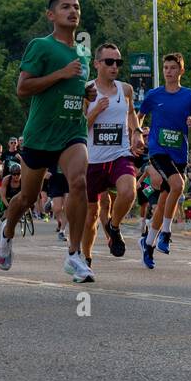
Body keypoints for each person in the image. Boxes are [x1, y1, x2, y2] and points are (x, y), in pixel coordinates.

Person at [0, 0, 93, 284]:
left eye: (76, 6)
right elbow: (23, 89)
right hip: (40, 133)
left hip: (72, 131)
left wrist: (83, 91)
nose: (72, 11)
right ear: (51, 15)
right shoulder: (41, 46)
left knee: (79, 181)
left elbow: (76, 84)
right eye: (65, 7)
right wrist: (60, 74)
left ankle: (74, 254)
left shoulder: (84, 50)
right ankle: (7, 233)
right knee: (26, 197)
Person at [136, 52, 191, 267]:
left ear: (181, 71)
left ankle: (148, 244)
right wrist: (137, 133)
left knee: (166, 199)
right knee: (178, 184)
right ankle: (166, 233)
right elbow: (139, 116)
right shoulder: (154, 95)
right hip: (158, 150)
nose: (168, 71)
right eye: (166, 67)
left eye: (173, 68)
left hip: (179, 153)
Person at [80, 42, 141, 263]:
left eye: (118, 62)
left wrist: (136, 132)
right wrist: (95, 111)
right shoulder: (86, 90)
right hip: (92, 160)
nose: (114, 66)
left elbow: (132, 112)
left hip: (119, 155)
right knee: (91, 216)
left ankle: (113, 227)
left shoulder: (125, 89)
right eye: (109, 62)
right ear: (97, 64)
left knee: (128, 192)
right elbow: (79, 127)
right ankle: (85, 259)